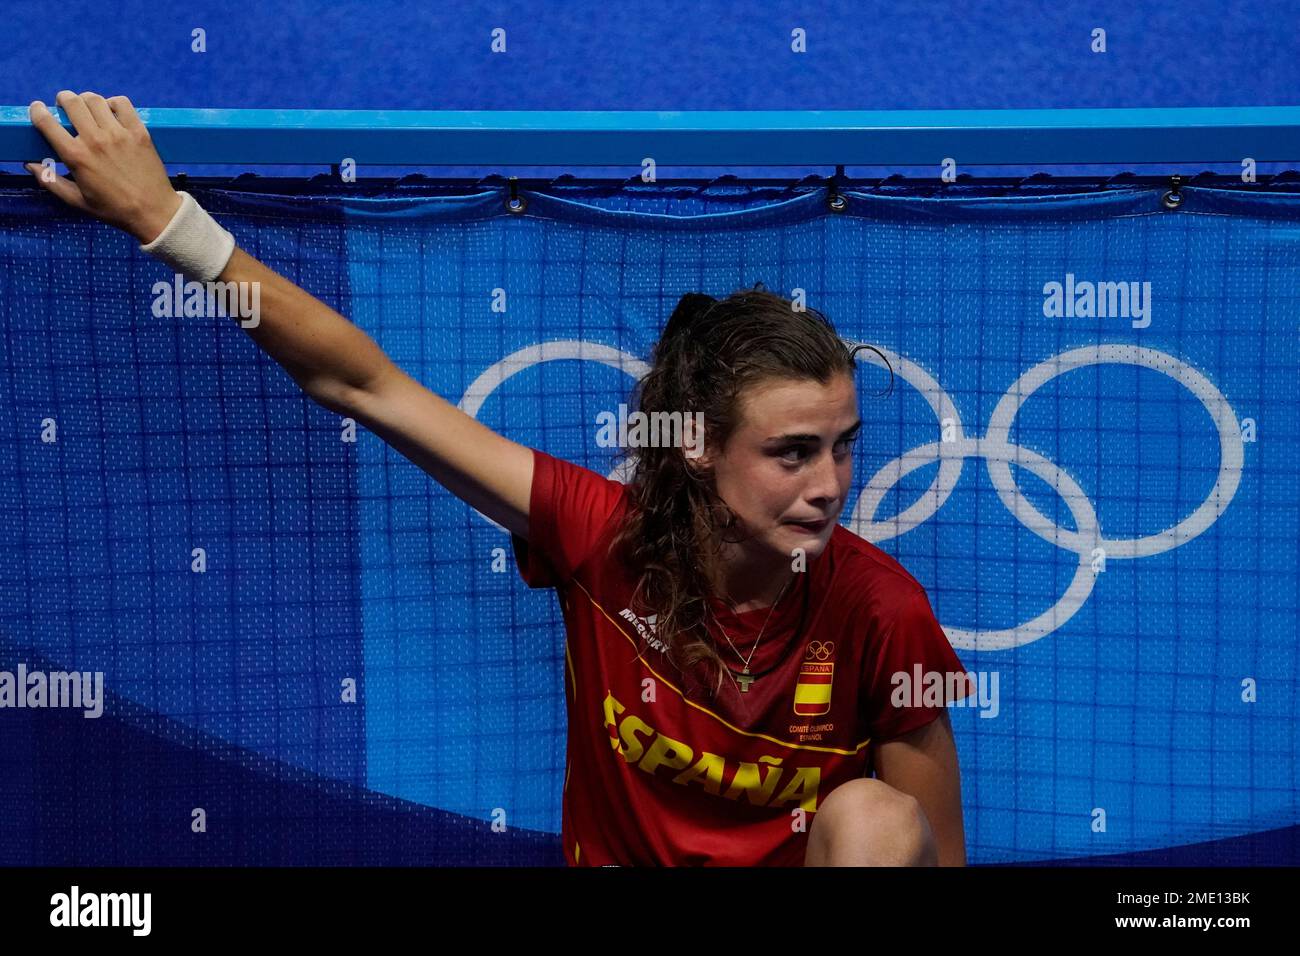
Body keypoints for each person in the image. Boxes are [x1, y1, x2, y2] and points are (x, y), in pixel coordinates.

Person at [26, 90, 971, 867]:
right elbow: (364, 384)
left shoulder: (881, 611)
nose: (831, 484)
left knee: (876, 822)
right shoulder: (602, 537)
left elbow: (938, 853)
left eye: (845, 445)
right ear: (699, 446)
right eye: (792, 452)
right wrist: (165, 224)